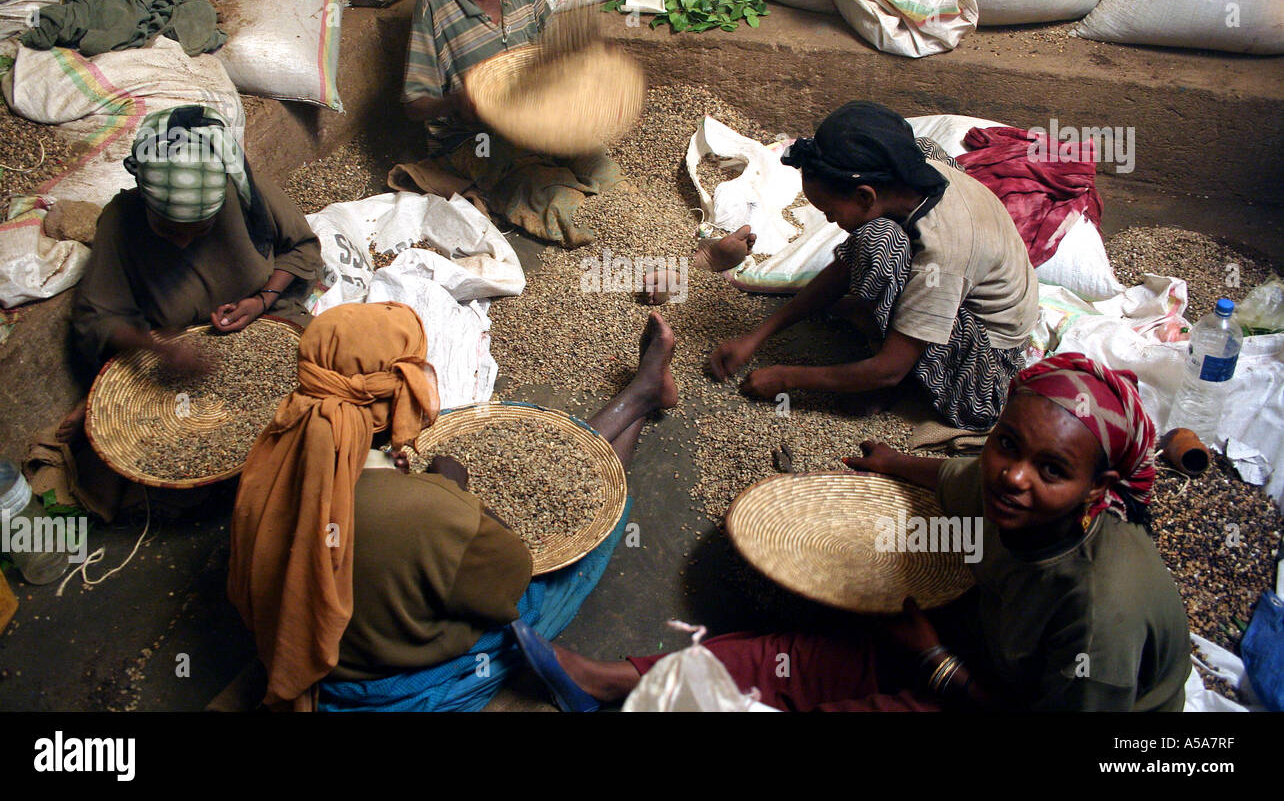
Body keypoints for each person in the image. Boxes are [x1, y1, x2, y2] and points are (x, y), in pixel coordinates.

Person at [515, 354, 1192, 712]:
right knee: (797, 658)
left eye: (1052, 470)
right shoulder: (1000, 488)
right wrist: (892, 462)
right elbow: (951, 474)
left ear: (1097, 493)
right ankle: (608, 682)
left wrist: (935, 663)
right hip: (984, 651)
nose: (1014, 476)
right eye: (1006, 444)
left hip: (1025, 699)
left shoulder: (1101, 610)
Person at [227, 301, 679, 710]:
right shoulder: (434, 511)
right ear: (401, 392)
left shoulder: (272, 458)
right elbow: (511, 581)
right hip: (380, 670)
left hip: (314, 638)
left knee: (560, 460)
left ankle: (641, 395)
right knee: (592, 521)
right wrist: (454, 493)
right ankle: (641, 398)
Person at [708, 101, 1039, 431]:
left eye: (830, 212)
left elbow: (889, 368)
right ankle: (885, 328)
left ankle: (896, 382)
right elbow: (844, 266)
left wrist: (786, 377)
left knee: (878, 239)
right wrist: (757, 336)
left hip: (984, 361)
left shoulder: (944, 254)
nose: (830, 221)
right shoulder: (912, 173)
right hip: (961, 289)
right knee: (877, 234)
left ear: (866, 197)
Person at [398, 0, 624, 248]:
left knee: (604, 172)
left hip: (535, 118)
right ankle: (610, 242)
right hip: (477, 139)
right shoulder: (435, 5)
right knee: (550, 195)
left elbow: (550, 53)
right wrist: (456, 101)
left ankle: (638, 226)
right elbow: (414, 104)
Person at [69, 104, 320, 375]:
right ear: (145, 201)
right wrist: (157, 348)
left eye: (201, 230)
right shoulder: (122, 218)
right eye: (169, 230)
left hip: (270, 315)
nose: (185, 242)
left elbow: (302, 248)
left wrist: (262, 300)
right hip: (180, 351)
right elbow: (97, 318)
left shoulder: (241, 191)